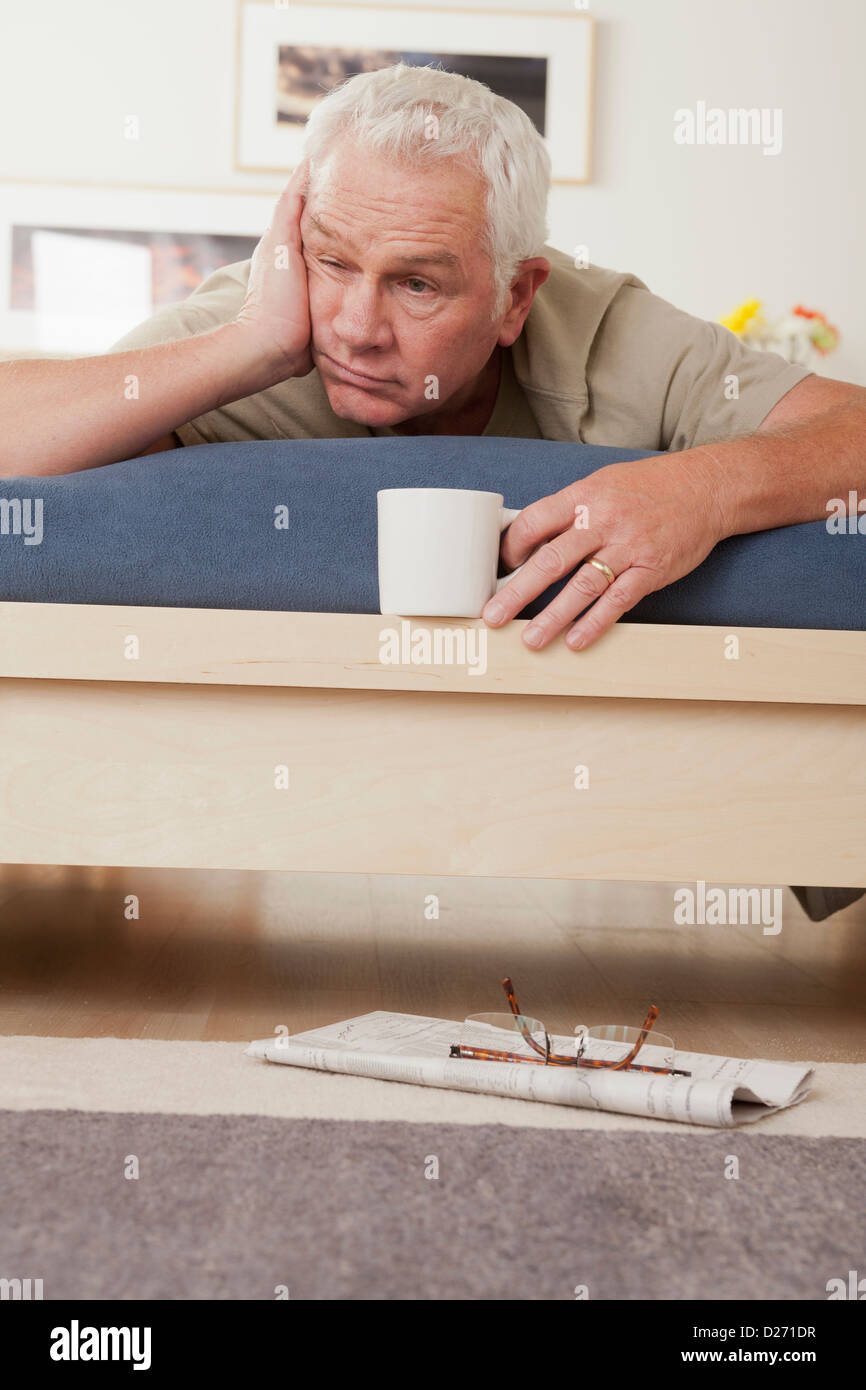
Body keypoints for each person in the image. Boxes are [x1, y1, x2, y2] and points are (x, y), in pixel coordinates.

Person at [2, 60, 863, 662]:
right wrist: (248, 346)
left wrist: (699, 491)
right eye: (332, 260)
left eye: (416, 284)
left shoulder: (608, 331)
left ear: (516, 297)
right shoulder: (256, 313)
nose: (355, 327)